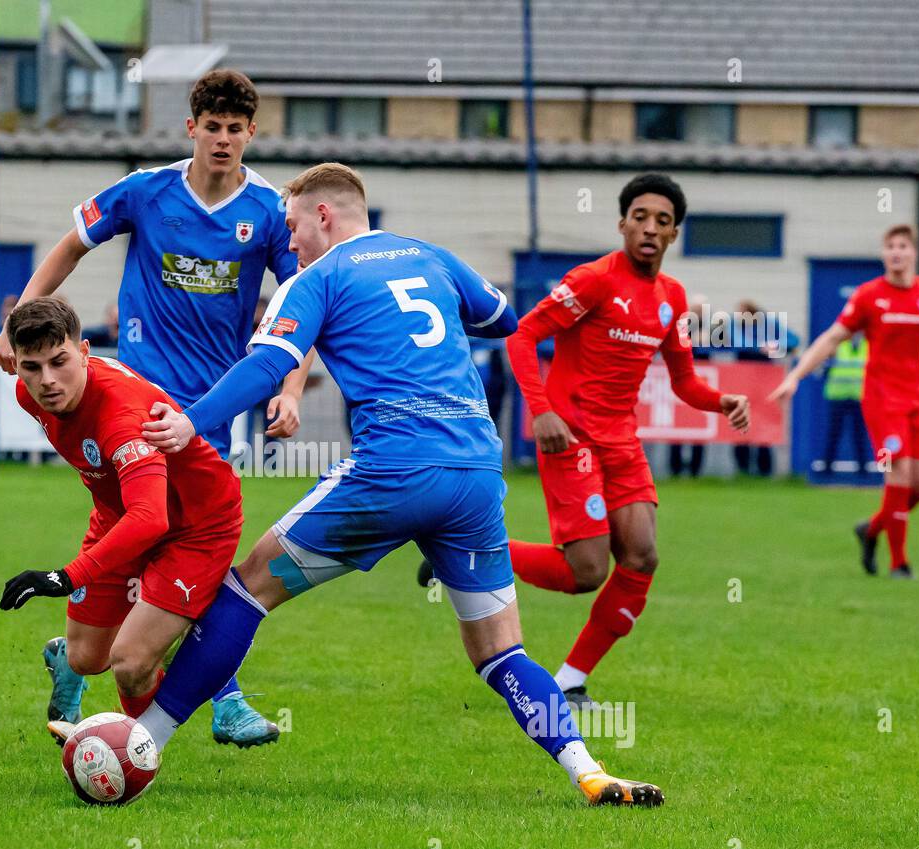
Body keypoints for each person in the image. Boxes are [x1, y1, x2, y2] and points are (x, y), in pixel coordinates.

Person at [142, 163, 664, 807]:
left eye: (294, 225)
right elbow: (502, 318)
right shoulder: (432, 257)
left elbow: (268, 364)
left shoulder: (319, 277)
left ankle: (142, 741)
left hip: (393, 468)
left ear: (324, 215)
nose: (291, 242)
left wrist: (190, 421)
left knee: (246, 587)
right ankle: (589, 770)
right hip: (474, 470)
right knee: (502, 652)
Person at [0, 69, 309, 748]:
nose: (222, 140)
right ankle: (211, 697)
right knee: (155, 532)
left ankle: (180, 690)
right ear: (190, 128)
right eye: (211, 127)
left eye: (235, 129)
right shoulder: (145, 190)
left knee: (191, 540)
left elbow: (298, 306)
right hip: (135, 398)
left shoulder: (269, 214)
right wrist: (16, 319)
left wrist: (288, 385)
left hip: (209, 409)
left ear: (251, 133)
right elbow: (71, 244)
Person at [502, 173, 751, 705]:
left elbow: (682, 379)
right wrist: (541, 411)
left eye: (663, 221)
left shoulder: (673, 298)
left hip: (622, 443)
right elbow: (522, 334)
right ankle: (474, 549)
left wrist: (721, 400)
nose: (650, 228)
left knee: (641, 557)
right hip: (571, 438)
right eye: (640, 217)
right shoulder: (593, 280)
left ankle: (570, 680)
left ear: (674, 234)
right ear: (622, 224)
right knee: (586, 571)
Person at [0, 297, 245, 742]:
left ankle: (139, 751)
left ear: (86, 351)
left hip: (195, 526)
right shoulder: (27, 395)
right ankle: (72, 663)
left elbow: (151, 518)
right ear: (17, 364)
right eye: (32, 367)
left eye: (60, 361)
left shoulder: (120, 415)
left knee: (130, 662)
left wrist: (66, 576)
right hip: (119, 516)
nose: (47, 381)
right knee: (88, 658)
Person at [771, 224, 919, 578]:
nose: (896, 252)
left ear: (914, 253)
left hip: (917, 401)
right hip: (880, 402)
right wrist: (795, 377)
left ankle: (872, 530)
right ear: (883, 253)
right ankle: (899, 563)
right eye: (890, 246)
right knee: (898, 473)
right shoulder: (868, 296)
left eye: (903, 246)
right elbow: (831, 338)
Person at [732, 299, 798, 476]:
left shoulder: (770, 325)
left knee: (763, 423)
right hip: (742, 383)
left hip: (765, 384)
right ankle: (742, 469)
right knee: (740, 422)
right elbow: (732, 341)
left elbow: (793, 341)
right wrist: (758, 348)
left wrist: (777, 346)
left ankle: (764, 470)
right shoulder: (735, 326)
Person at [668, 294, 710, 478]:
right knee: (677, 424)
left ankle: (695, 470)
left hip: (701, 380)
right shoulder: (681, 326)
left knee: (699, 424)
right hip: (681, 379)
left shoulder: (713, 328)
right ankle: (675, 468)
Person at [820, 335, 871, 476]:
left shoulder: (869, 346)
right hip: (838, 395)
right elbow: (824, 368)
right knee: (834, 433)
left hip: (860, 397)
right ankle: (827, 468)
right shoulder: (837, 345)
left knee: (860, 434)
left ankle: (863, 469)